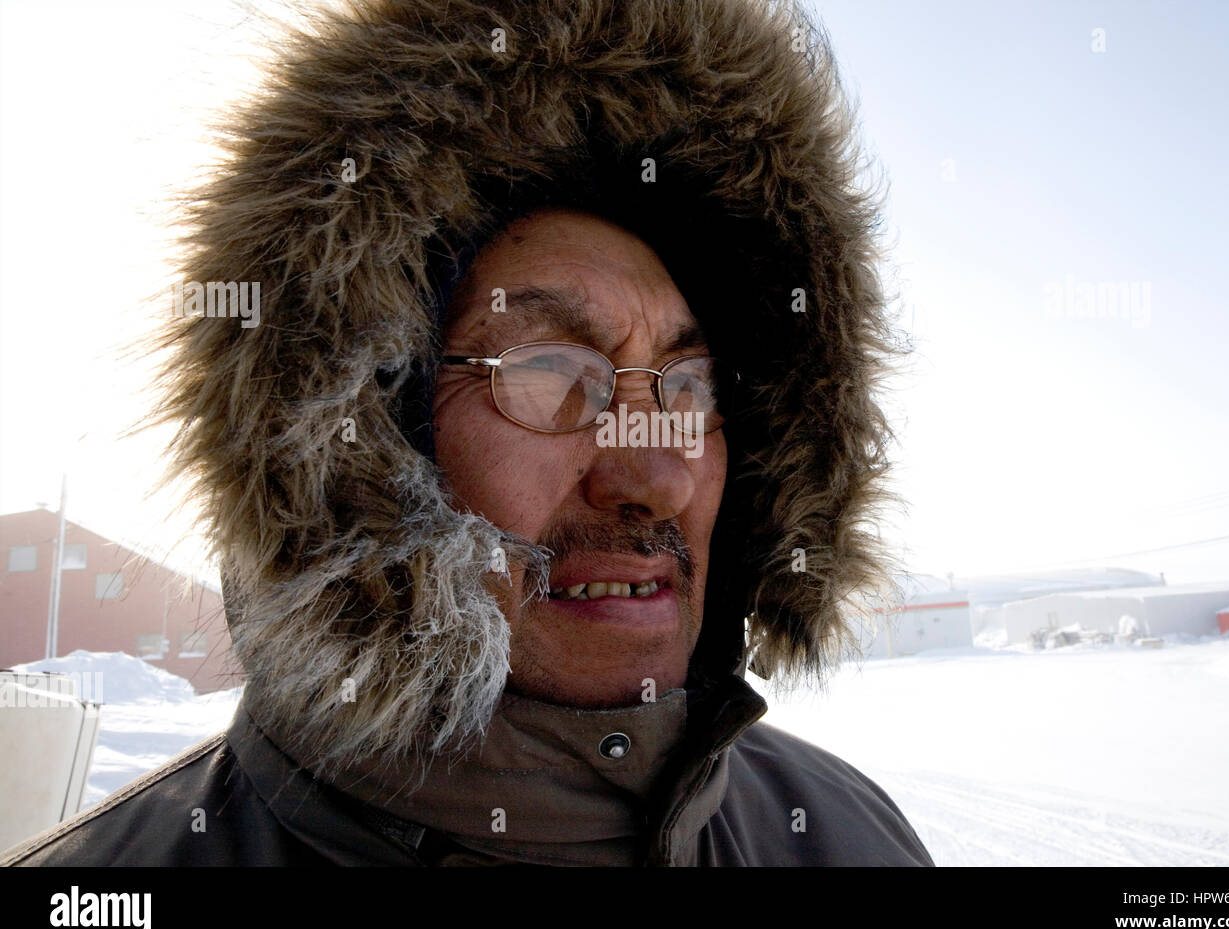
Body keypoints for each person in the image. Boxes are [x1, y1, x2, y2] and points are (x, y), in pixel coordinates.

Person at [3, 0, 932, 866]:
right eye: (547, 372)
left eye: (690, 387)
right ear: (364, 442)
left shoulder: (849, 836)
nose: (657, 476)